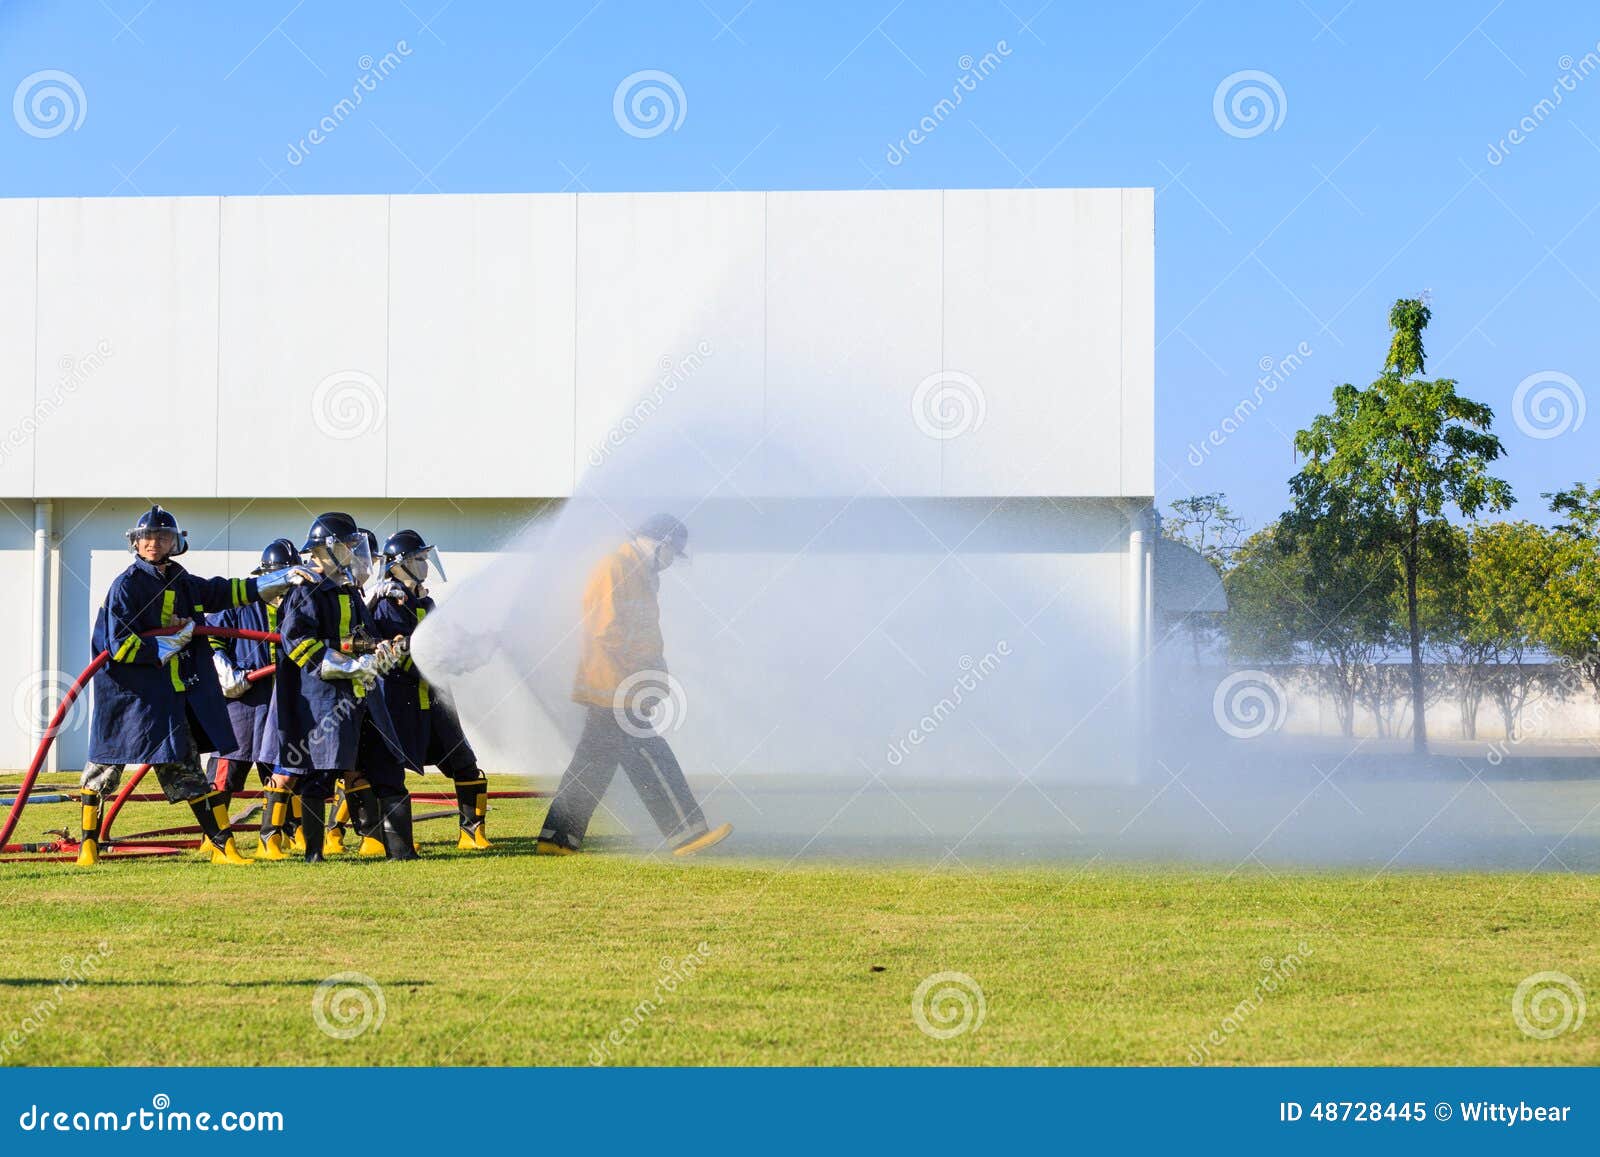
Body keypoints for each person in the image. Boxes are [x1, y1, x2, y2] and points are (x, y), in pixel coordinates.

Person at [76, 506, 310, 867]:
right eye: (148, 537)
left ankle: (222, 848)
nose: (155, 543)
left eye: (163, 536)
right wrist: (172, 641)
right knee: (102, 771)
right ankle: (87, 849)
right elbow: (120, 645)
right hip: (128, 698)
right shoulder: (126, 585)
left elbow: (226, 591)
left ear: (176, 542)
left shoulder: (183, 582)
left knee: (191, 777)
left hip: (170, 700)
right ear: (136, 543)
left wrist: (278, 580)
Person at [536, 514, 731, 857]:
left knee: (593, 764)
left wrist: (654, 671)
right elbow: (605, 629)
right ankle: (686, 833)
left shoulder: (642, 575)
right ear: (657, 543)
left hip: (619, 684)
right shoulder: (617, 567)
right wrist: (641, 676)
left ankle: (557, 838)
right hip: (614, 685)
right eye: (673, 552)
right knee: (652, 756)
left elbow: (644, 634)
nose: (672, 561)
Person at [273, 512, 417, 861]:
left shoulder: (349, 591)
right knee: (319, 775)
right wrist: (351, 664)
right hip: (325, 699)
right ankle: (314, 853)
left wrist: (380, 646)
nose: (354, 552)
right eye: (349, 545)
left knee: (387, 768)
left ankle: (401, 852)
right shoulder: (305, 591)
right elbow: (298, 644)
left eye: (355, 546)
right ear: (328, 549)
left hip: (364, 697)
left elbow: (359, 636)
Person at [364, 529, 493, 850]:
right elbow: (397, 658)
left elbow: (444, 641)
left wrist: (472, 652)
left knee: (464, 763)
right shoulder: (385, 606)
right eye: (419, 559)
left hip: (435, 699)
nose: (425, 564)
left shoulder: (426, 602)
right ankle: (372, 839)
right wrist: (439, 663)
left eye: (424, 558)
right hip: (399, 701)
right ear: (398, 565)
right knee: (385, 771)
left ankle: (472, 834)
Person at [205, 538, 300, 860]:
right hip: (241, 701)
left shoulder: (299, 606)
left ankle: (286, 834)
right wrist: (224, 673)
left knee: (284, 768)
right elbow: (211, 641)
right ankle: (213, 836)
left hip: (280, 700)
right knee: (226, 772)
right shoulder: (239, 605)